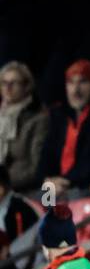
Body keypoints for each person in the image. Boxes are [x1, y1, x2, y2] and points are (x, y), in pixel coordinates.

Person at [39, 60, 90, 198]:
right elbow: (46, 153)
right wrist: (47, 178)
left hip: (85, 186)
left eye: (83, 82)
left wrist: (67, 181)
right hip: (56, 185)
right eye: (70, 83)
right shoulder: (59, 115)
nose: (75, 90)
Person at [0, 62, 50, 193]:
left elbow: (36, 168)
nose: (8, 88)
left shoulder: (38, 119)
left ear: (27, 86)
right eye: (4, 83)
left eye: (14, 83)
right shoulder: (1, 115)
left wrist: (4, 182)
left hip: (20, 188)